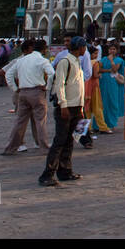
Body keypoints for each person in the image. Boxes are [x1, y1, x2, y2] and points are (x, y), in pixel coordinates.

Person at [39, 37, 87, 186]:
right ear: (79, 48)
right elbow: (59, 84)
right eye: (84, 47)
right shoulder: (65, 62)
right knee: (60, 141)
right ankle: (48, 174)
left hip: (76, 106)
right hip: (66, 107)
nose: (86, 49)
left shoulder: (77, 62)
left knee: (70, 140)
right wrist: (63, 105)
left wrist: (81, 106)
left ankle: (65, 170)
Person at [2, 39, 55, 155]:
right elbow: (51, 74)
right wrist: (47, 87)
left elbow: (8, 74)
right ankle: (44, 147)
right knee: (40, 121)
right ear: (44, 49)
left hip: (23, 93)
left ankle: (11, 147)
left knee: (20, 122)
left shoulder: (21, 60)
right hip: (37, 92)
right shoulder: (42, 60)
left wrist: (15, 89)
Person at [98, 42, 125, 129]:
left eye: (114, 49)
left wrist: (111, 60)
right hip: (104, 82)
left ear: (117, 50)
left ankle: (111, 124)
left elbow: (114, 70)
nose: (112, 51)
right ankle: (100, 124)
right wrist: (107, 70)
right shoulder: (103, 59)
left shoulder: (119, 60)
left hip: (114, 83)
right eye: (110, 49)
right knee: (103, 102)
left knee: (112, 102)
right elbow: (99, 69)